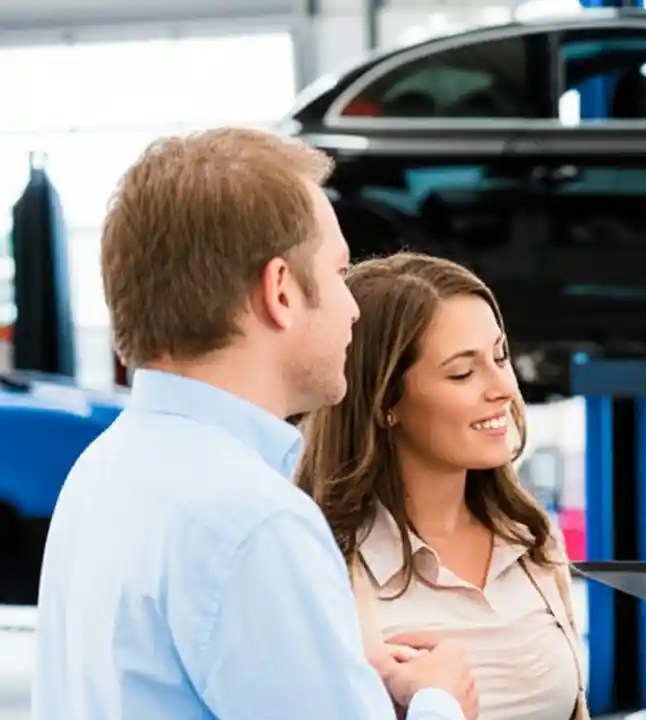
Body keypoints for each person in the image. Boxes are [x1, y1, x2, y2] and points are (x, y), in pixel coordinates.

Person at [33, 127, 476, 720]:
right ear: (281, 291)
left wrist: (332, 674)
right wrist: (441, 702)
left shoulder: (101, 472)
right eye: (341, 274)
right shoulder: (254, 522)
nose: (353, 309)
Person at [294, 252, 588, 720]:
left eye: (500, 356)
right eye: (462, 372)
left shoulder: (531, 537)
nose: (503, 388)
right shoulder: (323, 565)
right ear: (386, 400)